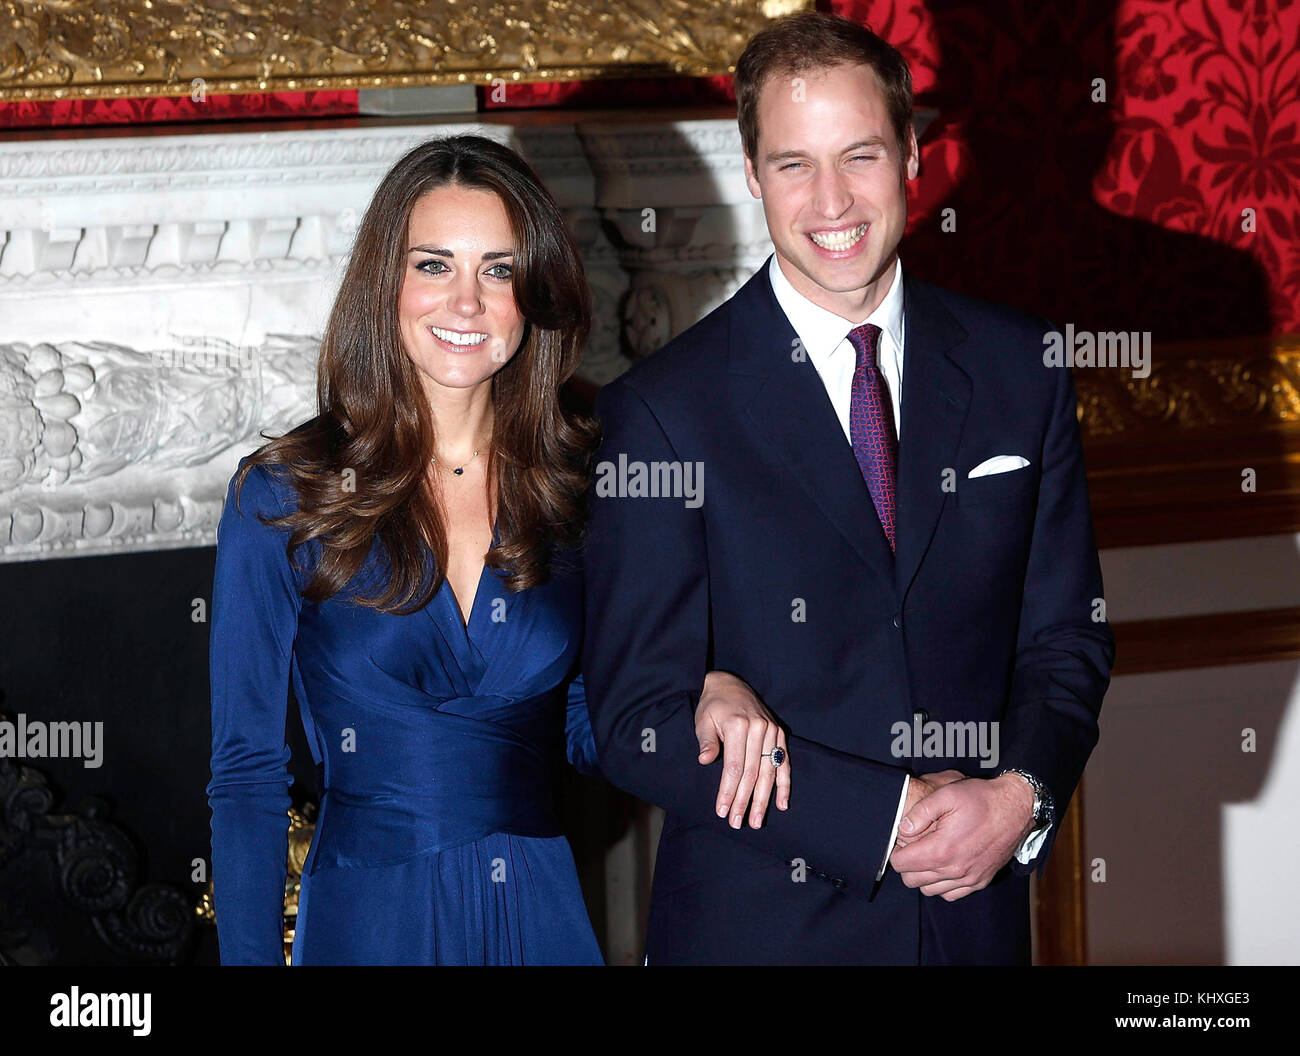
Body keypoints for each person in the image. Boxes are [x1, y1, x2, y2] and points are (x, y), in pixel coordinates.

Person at [581, 12, 1115, 965]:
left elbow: (1067, 635)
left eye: (860, 155)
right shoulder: (662, 413)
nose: (831, 200)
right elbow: (633, 721)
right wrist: (881, 815)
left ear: (912, 151)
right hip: (760, 932)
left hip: (974, 922)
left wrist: (1020, 795)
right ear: (752, 175)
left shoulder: (1021, 369)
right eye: (793, 164)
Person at [206, 134, 780, 965]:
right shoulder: (285, 494)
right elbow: (247, 777)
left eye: (500, 270)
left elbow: (589, 724)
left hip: (540, 914)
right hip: (368, 921)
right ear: (386, 285)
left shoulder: (580, 486)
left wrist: (696, 694)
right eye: (434, 265)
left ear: (534, 295)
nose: (466, 303)